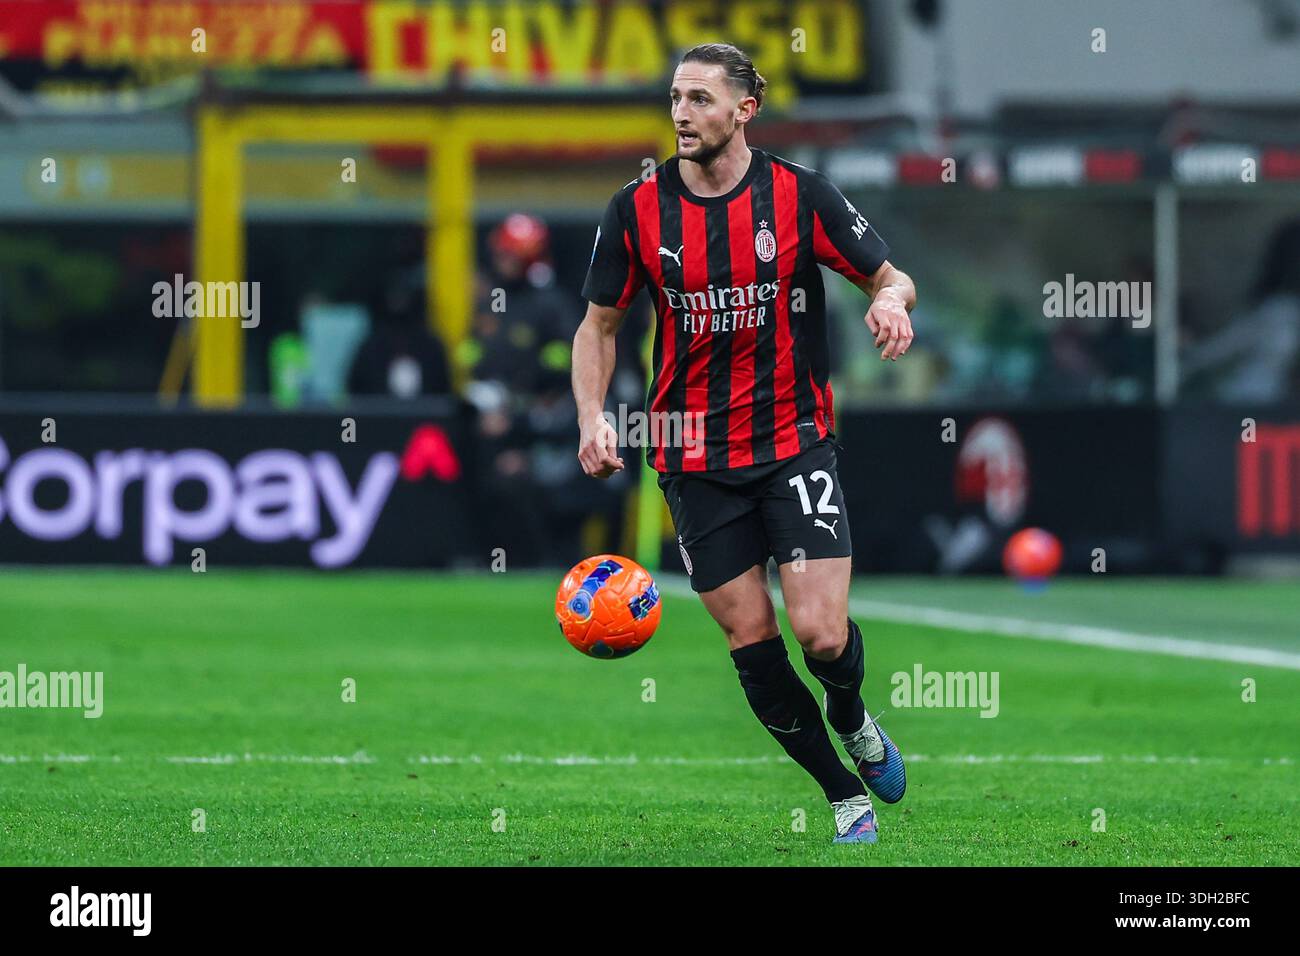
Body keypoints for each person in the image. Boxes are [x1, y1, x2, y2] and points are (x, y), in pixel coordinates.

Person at [572, 43, 916, 844]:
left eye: (698, 99)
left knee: (822, 634)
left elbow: (888, 275)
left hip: (793, 440)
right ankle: (843, 796)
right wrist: (592, 414)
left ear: (743, 110)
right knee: (753, 644)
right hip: (692, 456)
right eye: (675, 98)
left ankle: (854, 718)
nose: (681, 114)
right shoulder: (636, 208)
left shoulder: (801, 196)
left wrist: (893, 305)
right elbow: (600, 325)